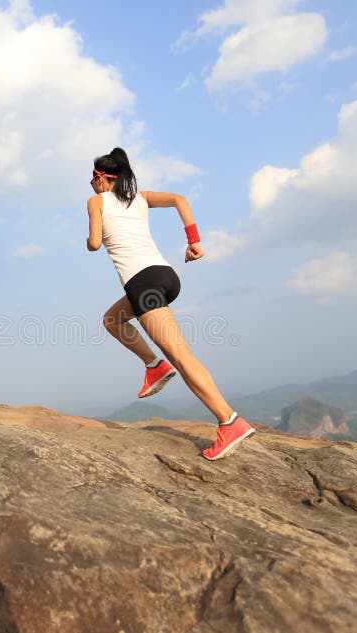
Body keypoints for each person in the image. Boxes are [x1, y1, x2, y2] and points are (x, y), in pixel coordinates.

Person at [86, 147, 255, 460]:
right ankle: (154, 366)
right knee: (113, 320)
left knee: (181, 355)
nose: (90, 184)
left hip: (142, 284)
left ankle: (229, 420)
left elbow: (95, 243)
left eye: (91, 178)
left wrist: (90, 238)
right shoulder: (141, 197)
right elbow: (180, 199)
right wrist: (193, 241)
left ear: (101, 178)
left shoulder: (96, 202)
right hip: (164, 276)